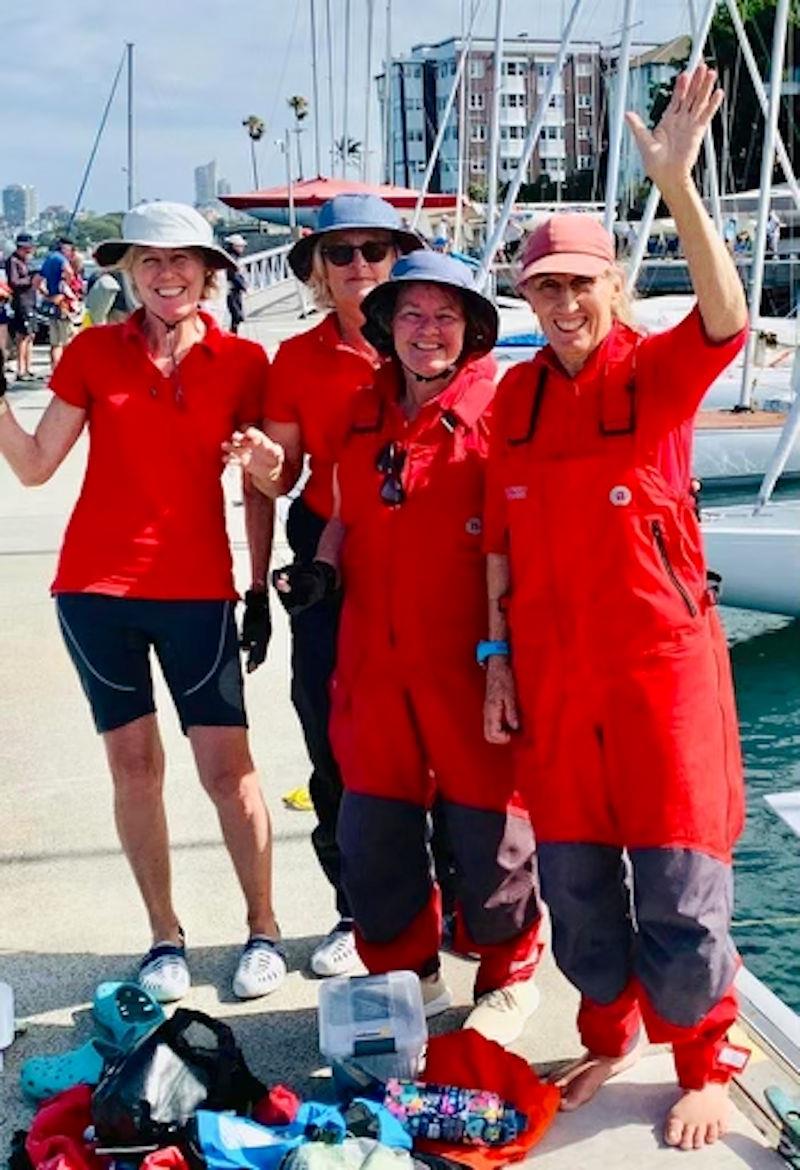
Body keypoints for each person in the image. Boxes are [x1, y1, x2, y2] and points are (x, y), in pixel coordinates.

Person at [482, 66, 749, 1150]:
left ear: (611, 288)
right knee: (580, 887)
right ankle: (611, 1029)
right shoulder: (514, 395)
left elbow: (725, 318)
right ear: (527, 296)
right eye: (543, 287)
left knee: (680, 885)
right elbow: (497, 538)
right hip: (552, 673)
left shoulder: (653, 373)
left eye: (578, 285)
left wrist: (677, 184)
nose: (561, 304)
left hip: (659, 674)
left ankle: (705, 1058)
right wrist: (495, 653)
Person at [0, 201, 283, 1005]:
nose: (166, 275)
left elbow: (269, 484)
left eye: (181, 261)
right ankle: (165, 935)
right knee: (134, 769)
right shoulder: (93, 352)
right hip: (95, 593)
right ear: (128, 273)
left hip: (197, 592)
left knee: (230, 773)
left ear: (209, 272)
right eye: (148, 262)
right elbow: (34, 465)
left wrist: (258, 568)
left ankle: (262, 927)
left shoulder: (243, 360)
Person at [269, 251, 544, 1044]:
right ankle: (406, 972)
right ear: (387, 326)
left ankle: (507, 971)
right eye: (412, 315)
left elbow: (520, 536)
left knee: (491, 829)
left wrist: (507, 656)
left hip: (469, 658)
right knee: (373, 829)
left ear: (473, 330)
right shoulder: (362, 407)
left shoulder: (501, 409)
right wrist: (318, 571)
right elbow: (349, 507)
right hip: (370, 661)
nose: (428, 331)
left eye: (446, 316)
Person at [240, 193, 425, 978]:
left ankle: (449, 897)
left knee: (437, 725)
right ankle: (357, 907)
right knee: (331, 727)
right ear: (315, 270)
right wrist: (259, 471)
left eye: (374, 251)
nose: (359, 267)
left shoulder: (430, 336)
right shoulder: (296, 361)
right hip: (325, 553)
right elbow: (279, 477)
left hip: (423, 544)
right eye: (340, 254)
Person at [36, 236, 80, 369]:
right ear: (65, 248)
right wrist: (65, 288)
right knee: (67, 340)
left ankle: (55, 370)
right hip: (63, 304)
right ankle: (67, 370)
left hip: (51, 304)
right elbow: (69, 272)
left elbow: (37, 281)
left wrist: (47, 295)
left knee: (55, 343)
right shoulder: (61, 259)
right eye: (70, 249)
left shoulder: (49, 259)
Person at [6, 232, 38, 381]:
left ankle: (28, 367)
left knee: (31, 335)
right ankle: (21, 369)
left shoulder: (26, 262)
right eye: (26, 249)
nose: (29, 252)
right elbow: (14, 282)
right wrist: (30, 279)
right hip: (22, 302)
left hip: (31, 301)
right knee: (23, 336)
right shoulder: (13, 261)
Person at [224, 233, 249, 334]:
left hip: (233, 289)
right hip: (231, 290)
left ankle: (233, 334)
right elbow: (232, 275)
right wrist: (243, 286)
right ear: (234, 246)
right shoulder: (231, 258)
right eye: (241, 246)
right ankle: (233, 335)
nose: (242, 249)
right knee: (236, 315)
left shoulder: (231, 257)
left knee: (236, 315)